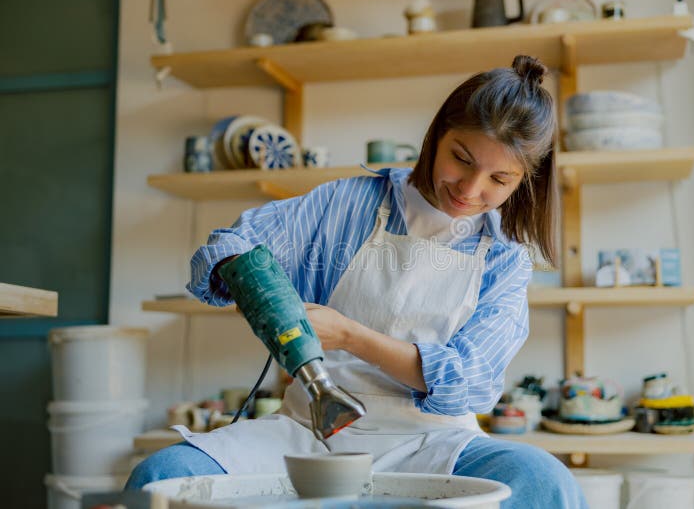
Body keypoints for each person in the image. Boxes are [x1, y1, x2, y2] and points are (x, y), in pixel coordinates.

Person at [126, 55, 587, 508]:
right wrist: (255, 282)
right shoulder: (346, 204)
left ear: (525, 181)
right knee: (164, 478)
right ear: (437, 135)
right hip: (308, 431)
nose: (469, 189)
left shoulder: (505, 258)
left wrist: (350, 335)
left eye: (498, 179)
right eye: (461, 159)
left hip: (432, 444)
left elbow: (469, 383)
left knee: (544, 482)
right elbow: (229, 246)